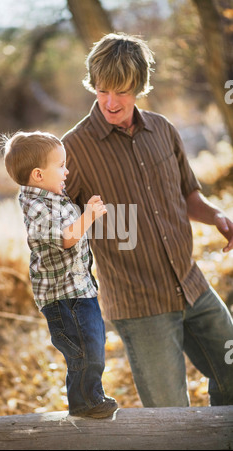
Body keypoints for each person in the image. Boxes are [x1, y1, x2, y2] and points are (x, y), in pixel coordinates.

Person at [62, 32, 233, 407]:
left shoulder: (163, 130)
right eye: (102, 89)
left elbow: (188, 195)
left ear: (140, 86)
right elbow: (56, 227)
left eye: (122, 91)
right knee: (169, 417)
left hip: (191, 284)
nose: (110, 102)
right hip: (139, 305)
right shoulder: (71, 150)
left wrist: (217, 215)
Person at [0, 130, 117, 418]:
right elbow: (66, 238)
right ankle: (86, 403)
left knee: (93, 343)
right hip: (63, 297)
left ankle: (90, 397)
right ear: (38, 175)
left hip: (79, 289)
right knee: (82, 350)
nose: (67, 171)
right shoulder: (36, 206)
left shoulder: (51, 196)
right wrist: (87, 215)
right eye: (61, 165)